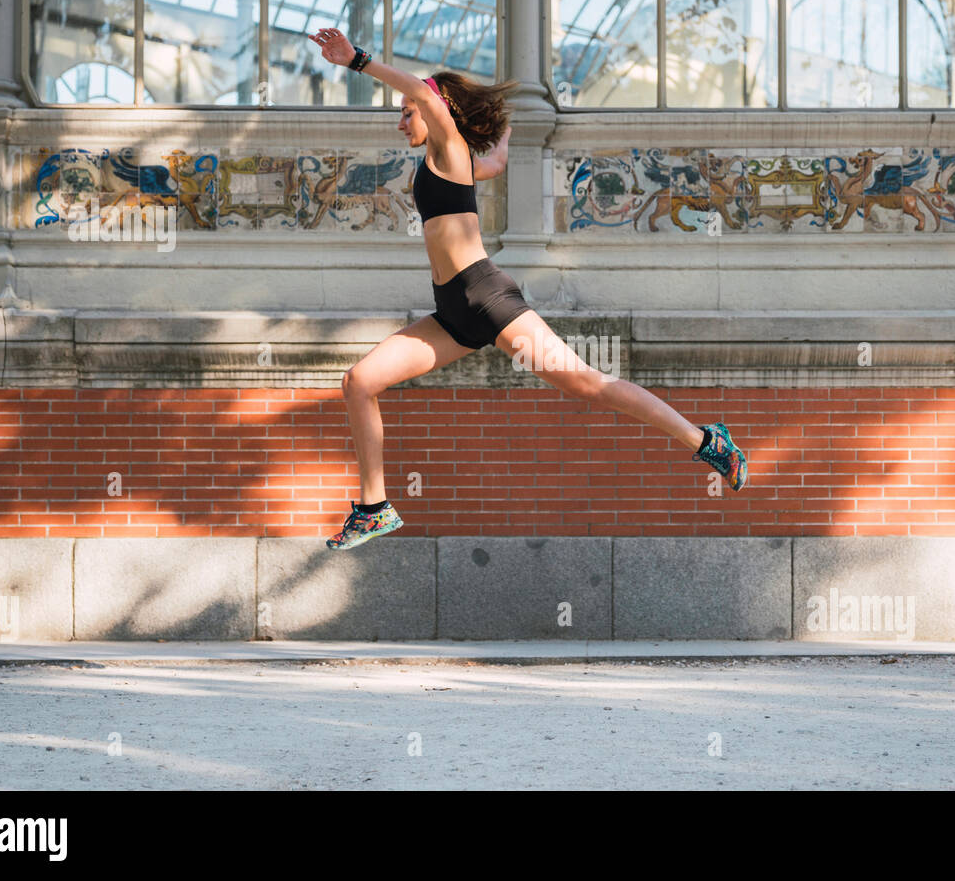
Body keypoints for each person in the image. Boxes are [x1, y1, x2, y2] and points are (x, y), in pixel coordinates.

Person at [307, 27, 748, 550]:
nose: (401, 120)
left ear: (435, 111)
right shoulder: (454, 162)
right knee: (358, 383)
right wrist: (508, 128)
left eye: (407, 111)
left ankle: (706, 441)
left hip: (488, 298)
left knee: (587, 384)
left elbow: (427, 93)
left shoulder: (447, 147)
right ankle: (375, 508)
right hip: (451, 314)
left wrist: (355, 60)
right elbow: (493, 163)